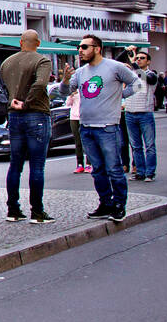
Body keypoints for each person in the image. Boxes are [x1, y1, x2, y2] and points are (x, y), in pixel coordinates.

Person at [58, 35, 138, 221]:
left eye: (85, 46)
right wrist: (64, 81)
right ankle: (105, 203)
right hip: (86, 126)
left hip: (107, 126)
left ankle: (119, 205)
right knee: (97, 170)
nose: (80, 50)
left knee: (114, 168)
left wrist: (121, 96)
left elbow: (137, 83)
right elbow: (65, 93)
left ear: (97, 48)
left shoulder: (114, 67)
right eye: (79, 46)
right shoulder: (81, 71)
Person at [0, 29, 54, 223]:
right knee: (37, 166)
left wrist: (11, 102)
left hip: (14, 116)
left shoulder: (7, 62)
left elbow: (0, 89)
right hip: (36, 113)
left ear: (21, 42)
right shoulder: (42, 61)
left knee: (15, 164)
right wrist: (27, 102)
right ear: (37, 43)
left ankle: (13, 209)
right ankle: (37, 212)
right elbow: (40, 84)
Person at [123, 49, 160, 181]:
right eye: (137, 58)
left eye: (142, 58)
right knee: (135, 146)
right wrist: (126, 52)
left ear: (148, 61)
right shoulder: (130, 75)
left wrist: (134, 65)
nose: (138, 59)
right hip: (130, 113)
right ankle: (140, 172)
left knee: (149, 145)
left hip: (145, 113)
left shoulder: (152, 74)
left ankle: (150, 173)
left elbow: (146, 78)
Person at [65, 89, 91, 174]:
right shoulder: (73, 92)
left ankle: (89, 164)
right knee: (78, 142)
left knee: (87, 142)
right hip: (74, 118)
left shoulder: (85, 90)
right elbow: (68, 104)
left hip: (84, 118)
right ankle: (79, 164)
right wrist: (71, 95)